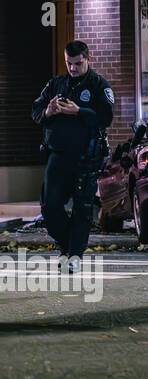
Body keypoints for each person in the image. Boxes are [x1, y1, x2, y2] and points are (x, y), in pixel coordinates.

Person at [31, 41, 115, 272]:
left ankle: (74, 255)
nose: (73, 68)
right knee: (50, 207)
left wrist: (79, 111)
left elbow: (106, 117)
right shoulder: (56, 84)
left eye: (78, 63)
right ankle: (67, 246)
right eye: (69, 63)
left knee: (82, 207)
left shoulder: (99, 85)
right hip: (57, 156)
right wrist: (49, 110)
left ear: (88, 58)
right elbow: (36, 111)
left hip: (86, 157)